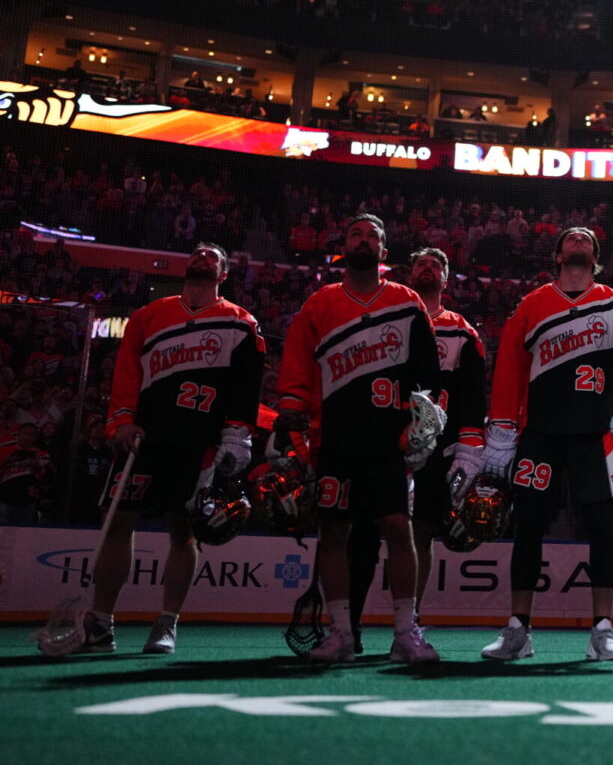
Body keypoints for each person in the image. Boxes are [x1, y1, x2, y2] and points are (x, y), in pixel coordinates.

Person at [480, 226, 613, 662]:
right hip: (540, 435)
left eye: (586, 238)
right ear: (556, 255)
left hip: (595, 435)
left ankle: (602, 632)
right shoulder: (530, 307)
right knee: (528, 526)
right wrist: (500, 429)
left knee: (601, 531)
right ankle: (518, 629)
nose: (578, 239)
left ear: (596, 257)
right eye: (571, 237)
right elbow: (509, 370)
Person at [74, 244, 264, 655]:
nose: (203, 258)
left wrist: (236, 435)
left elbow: (245, 390)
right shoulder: (148, 316)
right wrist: (121, 421)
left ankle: (166, 623)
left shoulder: (240, 323)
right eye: (198, 253)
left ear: (224, 273)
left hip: (199, 443)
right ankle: (101, 624)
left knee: (184, 532)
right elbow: (126, 374)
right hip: (145, 438)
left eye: (213, 256)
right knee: (119, 522)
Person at [273, 214, 442, 665]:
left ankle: (407, 632)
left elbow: (427, 374)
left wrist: (423, 423)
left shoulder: (407, 302)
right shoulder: (319, 305)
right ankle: (341, 633)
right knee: (334, 532)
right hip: (336, 441)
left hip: (389, 440)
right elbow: (297, 371)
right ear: (343, 246)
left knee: (397, 529)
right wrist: (292, 420)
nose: (364, 241)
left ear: (384, 252)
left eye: (373, 236)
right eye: (356, 234)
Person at [346, 247, 485, 652]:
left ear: (446, 279)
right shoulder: (387, 316)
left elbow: (473, 398)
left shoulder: (462, 331)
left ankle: (409, 626)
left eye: (436, 265)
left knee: (420, 531)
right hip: (381, 439)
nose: (428, 268)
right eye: (421, 263)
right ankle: (349, 625)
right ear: (409, 273)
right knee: (366, 533)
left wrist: (468, 450)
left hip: (436, 450)